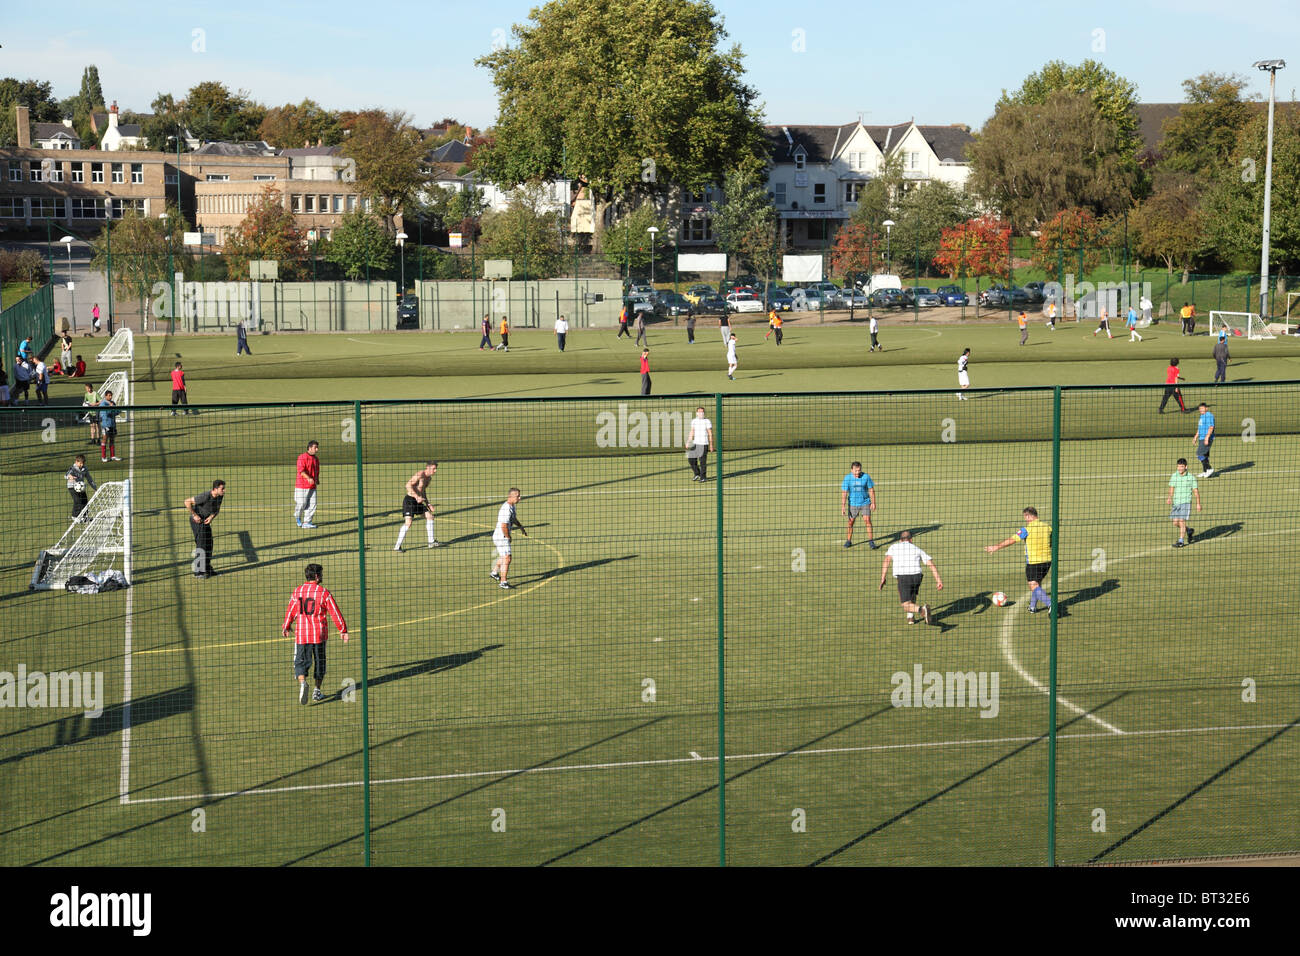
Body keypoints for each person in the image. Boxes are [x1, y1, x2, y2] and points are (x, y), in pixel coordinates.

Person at [283, 562, 349, 705]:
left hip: (302, 634)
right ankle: (317, 690)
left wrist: (286, 626)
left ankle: (302, 683)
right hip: (319, 634)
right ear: (317, 576)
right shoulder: (323, 593)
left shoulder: (298, 591)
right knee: (320, 662)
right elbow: (334, 612)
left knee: (300, 662)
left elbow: (291, 611)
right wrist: (342, 630)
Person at [984, 506, 1053, 614]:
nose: (1025, 520)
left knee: (1033, 585)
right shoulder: (1047, 527)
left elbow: (1012, 540)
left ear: (1028, 515)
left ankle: (1050, 603)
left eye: (1025, 517)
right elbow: (1052, 542)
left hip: (1033, 562)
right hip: (1047, 561)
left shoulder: (1026, 529)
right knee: (1037, 584)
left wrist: (996, 547)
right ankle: (1032, 607)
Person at [879, 529, 942, 625]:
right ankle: (910, 617)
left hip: (903, 577)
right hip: (917, 576)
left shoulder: (893, 547)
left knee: (905, 605)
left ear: (900, 540)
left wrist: (883, 578)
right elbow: (931, 565)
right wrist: (938, 580)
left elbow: (887, 561)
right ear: (911, 540)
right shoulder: (917, 549)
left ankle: (922, 610)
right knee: (912, 595)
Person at [185, 479, 226, 577]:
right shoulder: (205, 496)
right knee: (202, 544)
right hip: (197, 521)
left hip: (205, 521)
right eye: (222, 488)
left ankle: (207, 569)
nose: (224, 490)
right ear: (215, 489)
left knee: (209, 544)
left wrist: (211, 517)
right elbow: (187, 501)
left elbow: (216, 510)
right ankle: (198, 571)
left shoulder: (220, 496)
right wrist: (195, 515)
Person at [394, 461, 440, 551]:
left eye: (436, 469)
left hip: (418, 501)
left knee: (430, 517)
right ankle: (397, 546)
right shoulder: (420, 474)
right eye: (434, 468)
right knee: (409, 523)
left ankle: (431, 542)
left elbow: (422, 491)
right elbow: (407, 485)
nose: (435, 471)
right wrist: (416, 497)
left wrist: (428, 503)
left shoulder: (428, 479)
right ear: (428, 467)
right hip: (410, 500)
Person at [490, 488, 526, 589]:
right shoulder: (506, 509)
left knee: (503, 556)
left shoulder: (511, 506)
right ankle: (503, 582)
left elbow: (513, 519)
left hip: (500, 536)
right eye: (518, 496)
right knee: (507, 558)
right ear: (510, 496)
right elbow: (504, 525)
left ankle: (494, 572)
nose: (520, 498)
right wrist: (508, 536)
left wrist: (521, 527)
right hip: (501, 536)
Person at [841, 461, 878, 549]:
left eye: (859, 470)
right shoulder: (847, 478)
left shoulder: (866, 477)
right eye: (856, 471)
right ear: (851, 470)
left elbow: (871, 490)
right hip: (853, 504)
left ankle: (871, 541)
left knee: (867, 520)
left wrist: (873, 502)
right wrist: (843, 506)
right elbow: (844, 492)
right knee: (851, 522)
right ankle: (848, 541)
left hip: (865, 502)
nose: (857, 473)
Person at [1166, 458, 1202, 548]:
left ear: (1186, 467)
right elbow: (1171, 488)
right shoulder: (1174, 476)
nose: (1180, 468)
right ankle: (1189, 530)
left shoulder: (1191, 478)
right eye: (1178, 466)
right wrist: (1169, 497)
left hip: (1186, 502)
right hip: (1176, 502)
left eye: (1181, 466)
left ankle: (1181, 541)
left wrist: (1198, 503)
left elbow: (1196, 491)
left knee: (1182, 521)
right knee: (1175, 522)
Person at [294, 440, 321, 529]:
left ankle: (307, 522)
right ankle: (297, 516)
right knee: (301, 503)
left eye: (317, 447)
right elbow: (301, 471)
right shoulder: (302, 457)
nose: (316, 449)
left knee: (313, 504)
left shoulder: (316, 459)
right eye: (315, 447)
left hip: (312, 486)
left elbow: (316, 471)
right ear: (309, 448)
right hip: (301, 485)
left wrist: (316, 479)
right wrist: (308, 478)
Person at [685, 406, 713, 482]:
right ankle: (697, 473)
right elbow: (692, 431)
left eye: (702, 412)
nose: (701, 413)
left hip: (704, 444)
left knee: (702, 461)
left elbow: (710, 433)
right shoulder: (694, 421)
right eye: (699, 412)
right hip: (695, 443)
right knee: (691, 459)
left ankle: (703, 477)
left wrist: (711, 445)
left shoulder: (707, 421)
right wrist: (688, 441)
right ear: (697, 413)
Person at [65, 453, 98, 519]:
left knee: (85, 501)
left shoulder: (84, 469)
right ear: (76, 462)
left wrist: (94, 487)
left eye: (83, 463)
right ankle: (74, 516)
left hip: (81, 487)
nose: (82, 465)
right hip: (72, 487)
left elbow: (89, 479)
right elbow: (66, 475)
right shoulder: (72, 468)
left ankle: (84, 517)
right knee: (77, 501)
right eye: (80, 463)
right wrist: (70, 477)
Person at [98, 390, 121, 462]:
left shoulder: (113, 403)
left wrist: (114, 410)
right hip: (106, 424)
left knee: (112, 439)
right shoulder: (103, 403)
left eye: (111, 395)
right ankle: (103, 457)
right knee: (105, 439)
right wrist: (111, 408)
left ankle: (112, 456)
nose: (110, 397)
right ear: (105, 396)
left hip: (113, 424)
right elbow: (106, 413)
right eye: (109, 395)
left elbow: (117, 411)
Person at [1194, 402, 1215, 478]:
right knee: (1205, 455)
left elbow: (1211, 427)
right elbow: (1200, 428)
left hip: (1206, 438)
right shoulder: (1202, 416)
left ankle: (1209, 468)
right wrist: (1196, 436)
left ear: (1206, 408)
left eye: (1202, 408)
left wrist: (1207, 437)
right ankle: (1205, 471)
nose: (1200, 410)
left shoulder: (1209, 415)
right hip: (1201, 438)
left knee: (1199, 454)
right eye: (1199, 409)